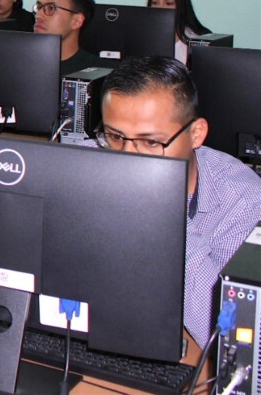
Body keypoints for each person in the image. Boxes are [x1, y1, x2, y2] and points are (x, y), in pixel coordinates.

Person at [94, 56, 261, 348]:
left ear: (195, 134)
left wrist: (164, 214)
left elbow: (227, 330)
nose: (128, 156)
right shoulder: (84, 166)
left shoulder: (243, 201)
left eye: (151, 142)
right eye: (115, 136)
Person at [33, 0, 100, 76]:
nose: (38, 15)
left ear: (76, 21)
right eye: (39, 7)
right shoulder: (18, 64)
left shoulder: (101, 72)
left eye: (51, 8)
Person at [148, 0, 212, 63]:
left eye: (169, 3)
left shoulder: (197, 40)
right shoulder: (143, 38)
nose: (160, 8)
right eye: (155, 2)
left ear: (181, 5)